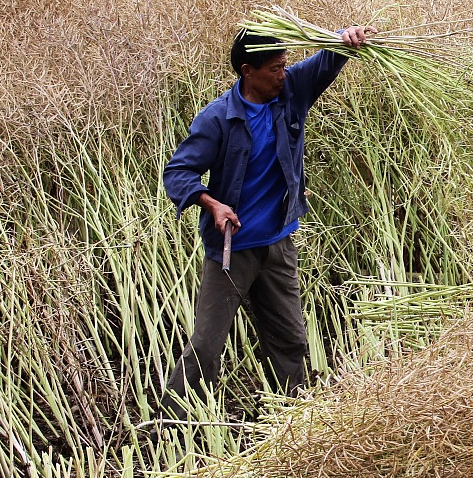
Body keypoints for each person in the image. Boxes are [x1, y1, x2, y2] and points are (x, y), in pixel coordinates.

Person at [159, 23, 375, 419]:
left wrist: (349, 36)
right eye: (275, 68)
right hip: (232, 251)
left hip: (277, 244)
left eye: (284, 65)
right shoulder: (218, 119)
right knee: (207, 346)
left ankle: (294, 422)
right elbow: (178, 172)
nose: (283, 74)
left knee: (291, 341)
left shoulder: (291, 93)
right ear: (247, 70)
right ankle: (169, 423)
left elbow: (328, 58)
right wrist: (211, 204)